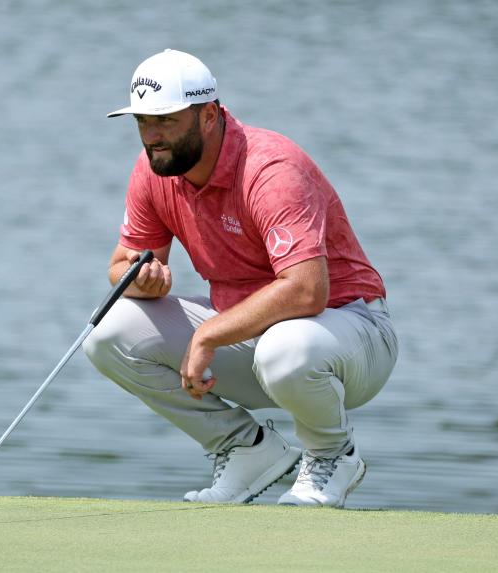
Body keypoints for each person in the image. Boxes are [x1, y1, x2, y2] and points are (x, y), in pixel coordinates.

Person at [84, 49, 398, 508]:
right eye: (142, 122)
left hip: (350, 333)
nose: (152, 137)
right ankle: (245, 449)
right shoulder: (155, 169)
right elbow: (121, 265)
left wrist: (210, 333)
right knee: (108, 331)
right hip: (256, 336)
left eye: (166, 121)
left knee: (286, 347)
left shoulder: (271, 170)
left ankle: (333, 454)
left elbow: (308, 290)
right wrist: (140, 279)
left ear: (208, 115)